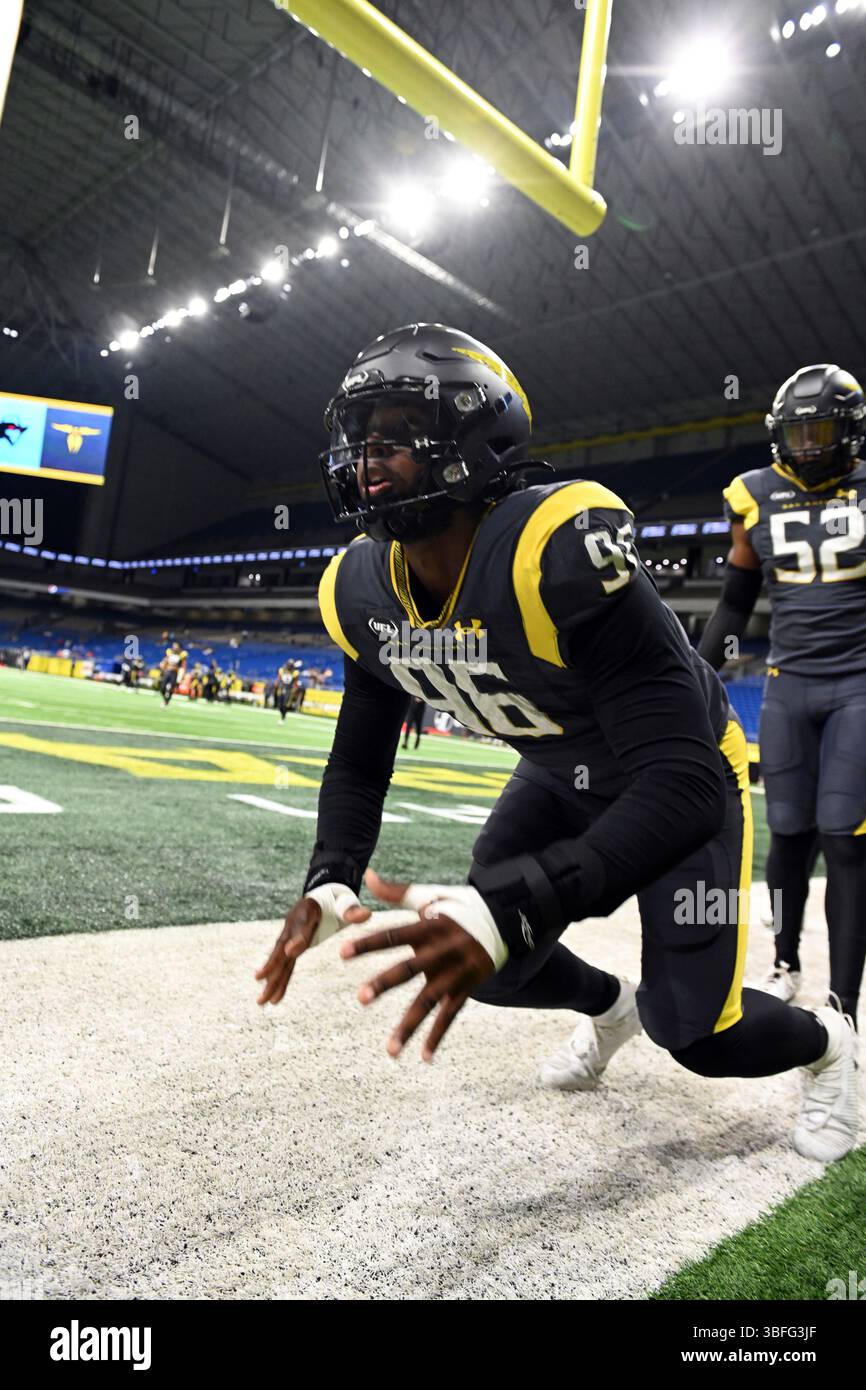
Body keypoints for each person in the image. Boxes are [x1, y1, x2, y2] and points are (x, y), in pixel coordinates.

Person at [256, 325, 859, 1163]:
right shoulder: (361, 586)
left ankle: (830, 1044)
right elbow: (360, 758)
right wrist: (331, 879)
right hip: (559, 772)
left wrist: (519, 903)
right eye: (361, 435)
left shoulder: (555, 551)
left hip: (680, 773)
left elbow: (683, 784)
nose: (368, 457)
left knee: (697, 1034)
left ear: (473, 440)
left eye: (398, 433)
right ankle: (610, 1008)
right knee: (493, 961)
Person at [699, 364, 866, 1028]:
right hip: (787, 683)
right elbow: (736, 601)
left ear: (849, 432)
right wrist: (696, 673)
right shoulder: (754, 494)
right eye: (798, 434)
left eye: (821, 432)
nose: (808, 447)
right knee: (788, 833)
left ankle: (844, 1006)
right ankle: (785, 962)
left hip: (858, 683)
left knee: (845, 838)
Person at [159, 639, 187, 707]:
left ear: (179, 647)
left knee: (172, 688)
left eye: (176, 646)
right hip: (167, 671)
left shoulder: (182, 654)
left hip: (175, 673)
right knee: (162, 687)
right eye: (174, 646)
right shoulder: (169, 652)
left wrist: (181, 676)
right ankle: (165, 699)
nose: (174, 647)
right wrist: (163, 666)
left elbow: (183, 666)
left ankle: (167, 701)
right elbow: (165, 660)